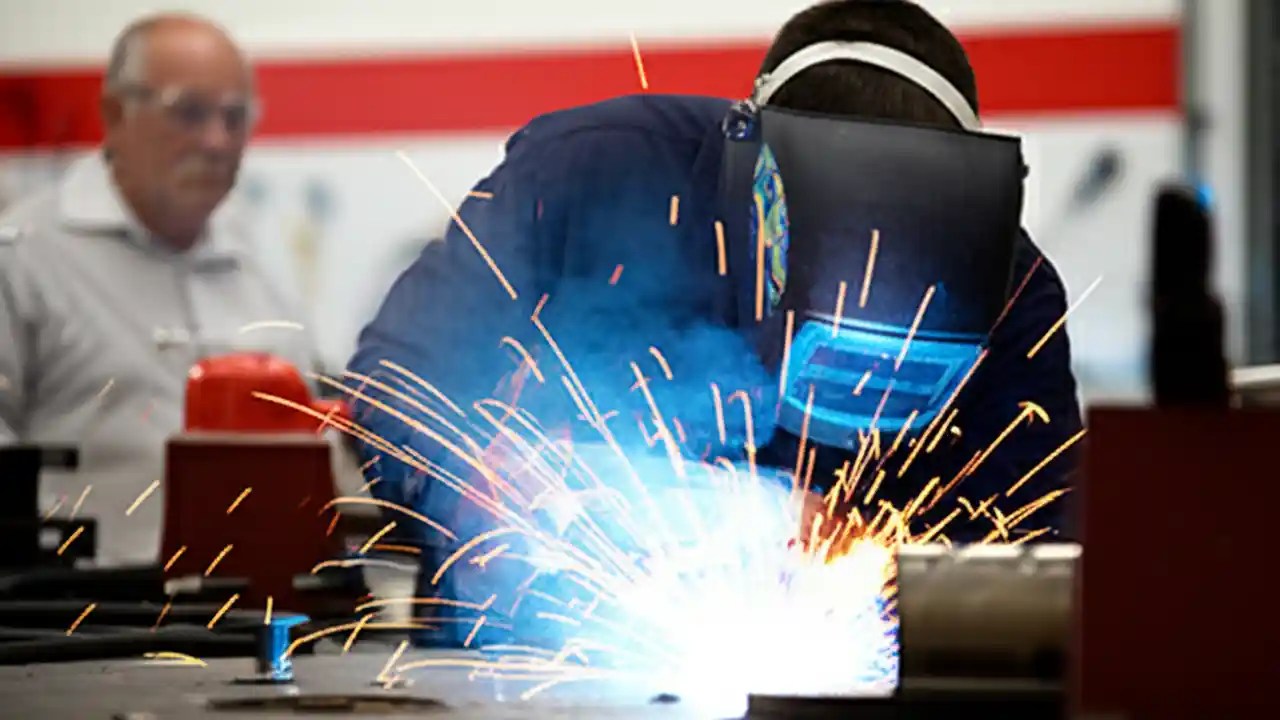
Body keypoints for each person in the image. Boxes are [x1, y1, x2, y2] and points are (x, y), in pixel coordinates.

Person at [346, 0, 1083, 642]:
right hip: (528, 663)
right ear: (760, 189)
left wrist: (890, 580)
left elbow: (1044, 555)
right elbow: (396, 380)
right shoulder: (590, 171)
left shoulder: (1009, 292)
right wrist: (491, 490)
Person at [0, 13, 314, 566]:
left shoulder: (259, 270)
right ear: (115, 114)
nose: (217, 140)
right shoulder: (24, 259)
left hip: (246, 615)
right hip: (70, 628)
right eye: (188, 112)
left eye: (235, 117)